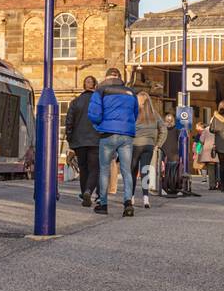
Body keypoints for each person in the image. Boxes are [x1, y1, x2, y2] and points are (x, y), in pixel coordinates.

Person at [88, 67, 140, 217]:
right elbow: (135, 113)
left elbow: (94, 114)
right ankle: (128, 203)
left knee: (104, 170)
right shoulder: (130, 92)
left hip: (107, 134)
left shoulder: (101, 91)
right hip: (126, 135)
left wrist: (98, 126)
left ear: (106, 77)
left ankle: (103, 204)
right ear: (119, 77)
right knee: (126, 171)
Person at [64, 76, 101, 208]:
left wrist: (70, 139)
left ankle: (84, 193)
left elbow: (69, 122)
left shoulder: (75, 102)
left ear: (84, 86)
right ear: (95, 86)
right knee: (94, 169)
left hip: (79, 141)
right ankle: (88, 191)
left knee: (83, 169)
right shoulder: (99, 102)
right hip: (96, 140)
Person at [132, 93, 165, 209]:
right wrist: (157, 145)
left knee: (133, 171)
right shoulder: (154, 114)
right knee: (145, 171)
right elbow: (164, 130)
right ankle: (146, 198)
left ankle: (131, 197)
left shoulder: (134, 113)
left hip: (135, 144)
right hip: (149, 145)